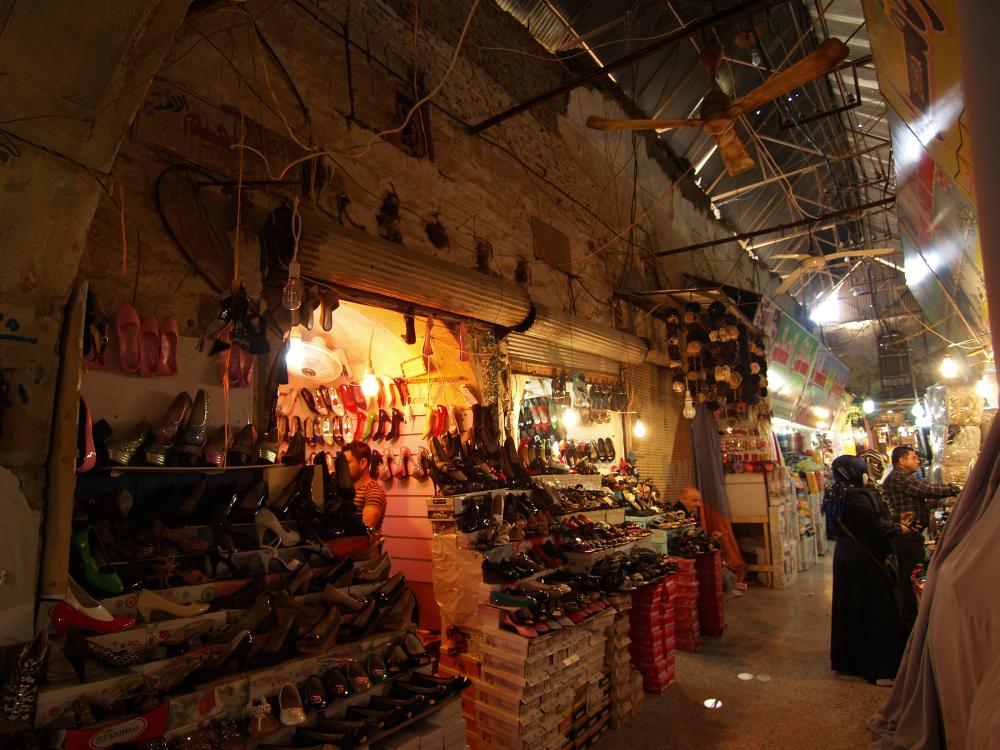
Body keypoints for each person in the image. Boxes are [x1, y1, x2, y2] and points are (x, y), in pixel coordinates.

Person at [830, 455, 910, 686]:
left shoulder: (836, 492)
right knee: (876, 610)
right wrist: (898, 528)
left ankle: (851, 660)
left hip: (846, 555)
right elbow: (872, 527)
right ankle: (880, 668)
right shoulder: (858, 495)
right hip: (864, 558)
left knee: (852, 607)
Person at [882, 445, 961, 629]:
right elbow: (925, 489)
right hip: (906, 537)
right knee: (909, 578)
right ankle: (911, 622)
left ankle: (912, 619)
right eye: (914, 457)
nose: (918, 460)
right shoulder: (899, 477)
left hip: (911, 536)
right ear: (902, 461)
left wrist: (945, 501)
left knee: (911, 576)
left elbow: (921, 499)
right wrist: (955, 487)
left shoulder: (903, 479)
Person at [342, 441, 387, 531]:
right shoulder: (345, 490)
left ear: (363, 463)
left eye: (347, 463)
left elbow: (365, 530)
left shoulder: (373, 491)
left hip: (357, 544)